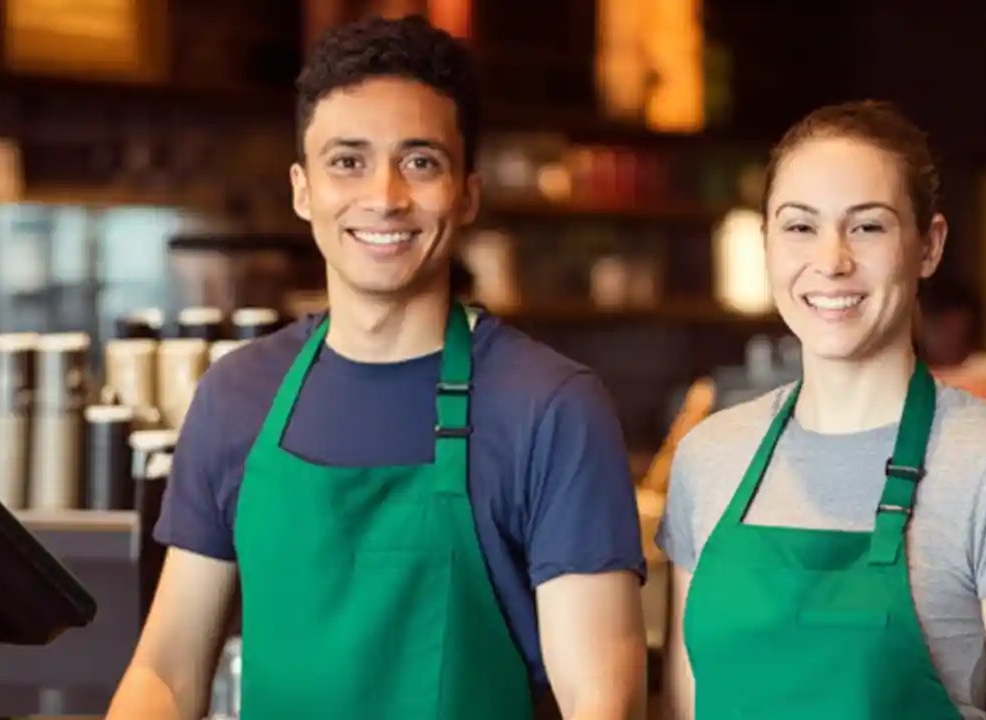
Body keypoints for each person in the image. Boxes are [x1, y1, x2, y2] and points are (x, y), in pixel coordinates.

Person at [107, 16, 647, 720]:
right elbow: (169, 673)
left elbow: (602, 701)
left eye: (420, 161)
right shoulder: (237, 396)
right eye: (347, 161)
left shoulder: (549, 406)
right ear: (303, 190)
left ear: (468, 193)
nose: (385, 196)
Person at [657, 100, 986, 719]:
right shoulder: (709, 458)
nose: (831, 260)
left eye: (868, 226)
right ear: (767, 245)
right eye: (799, 226)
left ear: (929, 247)